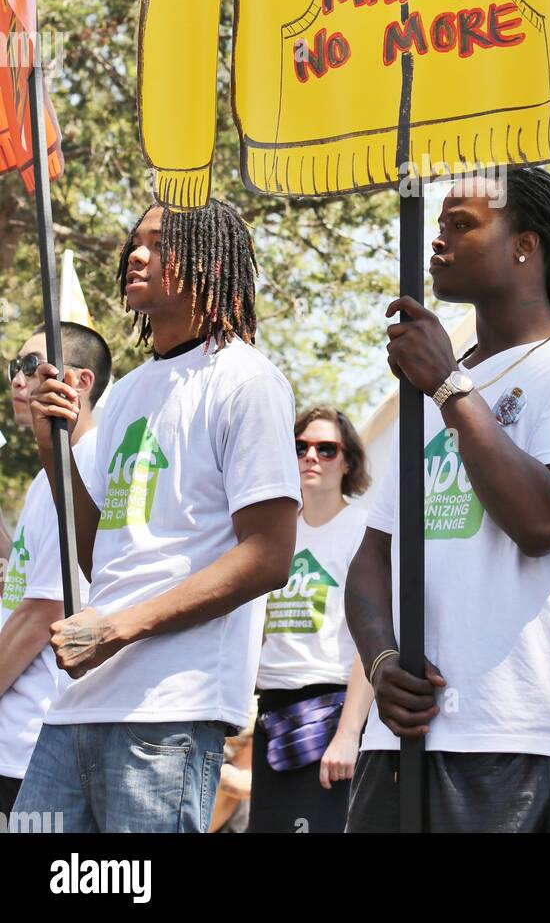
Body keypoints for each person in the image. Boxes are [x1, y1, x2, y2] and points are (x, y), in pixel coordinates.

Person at [345, 165, 550, 833]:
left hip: (518, 742)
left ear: (523, 246)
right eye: (439, 224)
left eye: (462, 224)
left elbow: (544, 519)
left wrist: (450, 387)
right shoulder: (435, 385)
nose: (438, 241)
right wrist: (383, 661)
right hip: (398, 746)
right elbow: (373, 556)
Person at [14, 198, 300, 833]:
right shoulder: (129, 393)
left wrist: (115, 630)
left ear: (210, 262)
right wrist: (49, 440)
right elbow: (95, 552)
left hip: (168, 711)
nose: (135, 255)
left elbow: (269, 555)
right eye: (133, 242)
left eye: (159, 242)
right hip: (78, 708)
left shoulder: (246, 382)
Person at [0, 322, 111, 822]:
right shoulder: (44, 478)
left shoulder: (85, 465)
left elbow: (41, 611)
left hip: (30, 743)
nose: (17, 382)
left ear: (79, 382)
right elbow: (22, 581)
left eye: (30, 367)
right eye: (13, 369)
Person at [249, 404, 373, 834]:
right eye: (300, 447)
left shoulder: (364, 529)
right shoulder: (275, 531)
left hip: (330, 714)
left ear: (348, 461)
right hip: (270, 714)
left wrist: (349, 734)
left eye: (326, 448)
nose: (311, 457)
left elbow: (373, 642)